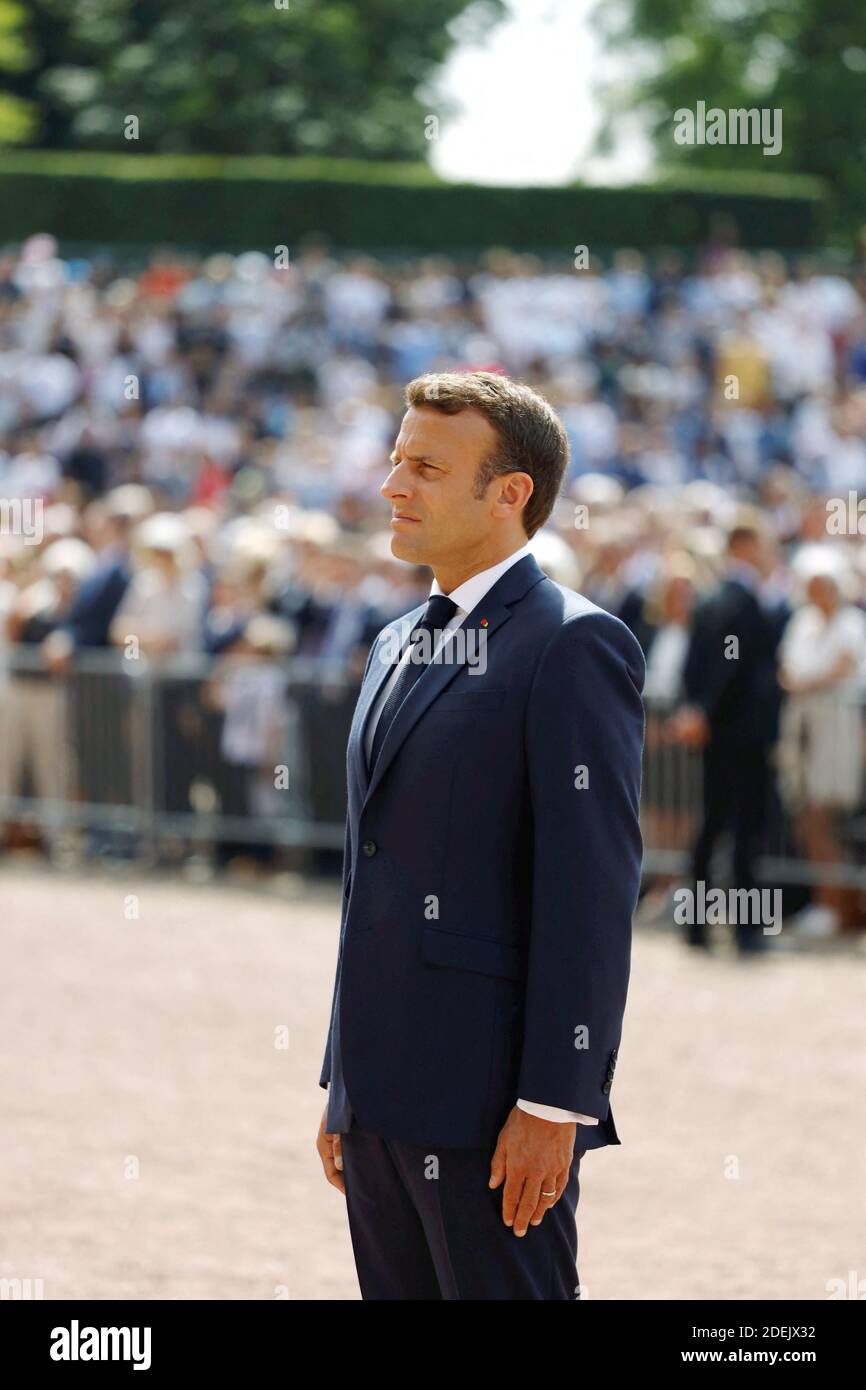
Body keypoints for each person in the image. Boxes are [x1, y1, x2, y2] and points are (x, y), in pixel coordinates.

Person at [315, 371, 645, 1300]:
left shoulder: (574, 644)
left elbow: (591, 892)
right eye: (394, 461)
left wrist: (556, 1102)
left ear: (510, 495)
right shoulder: (390, 643)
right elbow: (366, 877)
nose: (394, 485)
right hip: (381, 1101)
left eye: (425, 466)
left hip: (493, 1109)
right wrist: (346, 1082)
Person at [674, 512, 785, 952]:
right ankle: (745, 930)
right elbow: (728, 665)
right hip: (742, 733)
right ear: (743, 546)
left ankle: (698, 928)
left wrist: (696, 710)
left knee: (714, 824)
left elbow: (698, 664)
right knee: (744, 829)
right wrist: (702, 710)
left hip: (720, 732)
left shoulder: (713, 599)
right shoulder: (740, 601)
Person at [777, 547, 866, 936]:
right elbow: (789, 669)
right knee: (809, 819)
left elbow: (839, 670)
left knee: (828, 819)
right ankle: (827, 902)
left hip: (837, 733)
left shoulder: (851, 624)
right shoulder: (803, 622)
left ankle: (841, 907)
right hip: (804, 732)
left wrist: (806, 682)